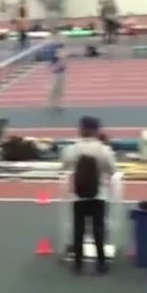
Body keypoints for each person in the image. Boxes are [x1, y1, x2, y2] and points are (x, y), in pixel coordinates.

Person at [60, 116, 119, 274]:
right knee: (98, 228)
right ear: (97, 130)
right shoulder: (103, 149)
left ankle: (78, 264)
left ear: (81, 129)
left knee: (78, 228)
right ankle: (101, 263)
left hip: (78, 195)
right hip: (99, 194)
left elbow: (64, 165)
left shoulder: (72, 149)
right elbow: (112, 170)